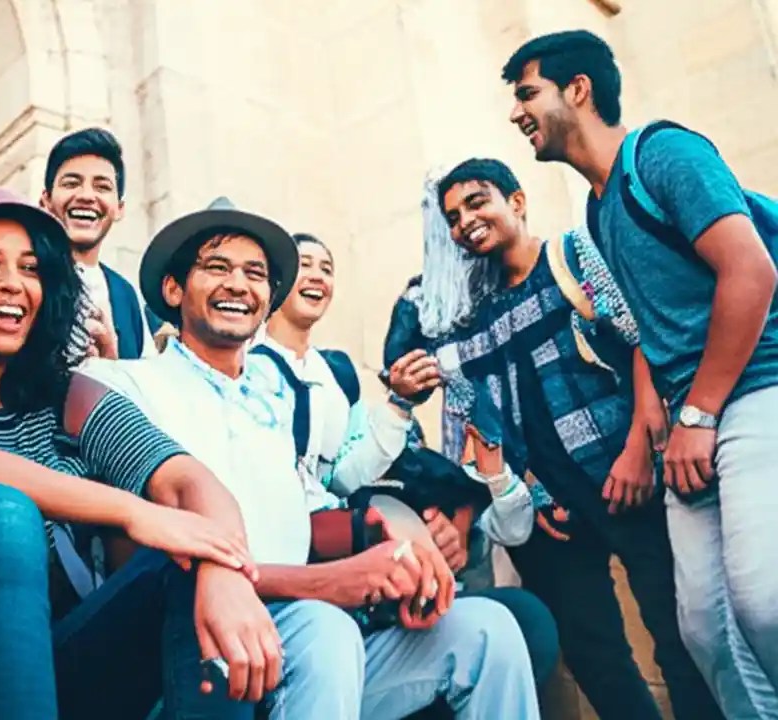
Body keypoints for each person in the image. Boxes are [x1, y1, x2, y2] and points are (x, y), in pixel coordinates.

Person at [84, 197, 541, 719]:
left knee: (489, 631)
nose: (238, 284)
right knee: (325, 629)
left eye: (255, 273)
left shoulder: (274, 401)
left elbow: (313, 508)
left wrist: (397, 543)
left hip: (306, 638)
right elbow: (139, 555)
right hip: (195, 637)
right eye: (217, 267)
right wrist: (333, 583)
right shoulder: (126, 385)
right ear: (173, 289)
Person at [0, 187, 279, 720]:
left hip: (29, 669)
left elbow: (188, 480)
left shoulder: (67, 396)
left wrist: (224, 569)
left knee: (192, 572)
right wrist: (134, 512)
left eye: (31, 269)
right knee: (0, 512)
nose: (13, 283)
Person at [503, 29, 778, 716]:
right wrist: (661, 418)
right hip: (691, 427)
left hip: (753, 392)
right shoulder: (598, 213)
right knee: (706, 632)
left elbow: (751, 272)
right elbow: (649, 331)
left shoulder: (665, 154)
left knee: (765, 603)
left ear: (578, 89)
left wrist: (699, 413)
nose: (516, 113)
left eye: (528, 93)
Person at [415, 157, 722, 719]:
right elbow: (475, 415)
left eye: (477, 203)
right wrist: (524, 492)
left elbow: (641, 336)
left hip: (625, 478)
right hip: (546, 517)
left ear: (517, 201)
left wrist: (639, 449)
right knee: (593, 655)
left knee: (680, 635)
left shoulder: (576, 255)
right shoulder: (468, 316)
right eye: (453, 217)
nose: (465, 223)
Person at [257, 232, 558, 691]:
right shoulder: (248, 365)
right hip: (288, 559)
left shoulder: (334, 377)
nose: (317, 275)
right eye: (305, 264)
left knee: (518, 623)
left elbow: (345, 477)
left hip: (344, 541)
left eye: (327, 267)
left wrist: (400, 406)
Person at [40, 128, 154, 360]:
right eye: (71, 183)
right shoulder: (27, 278)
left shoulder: (126, 295)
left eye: (102, 187)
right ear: (46, 200)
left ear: (119, 208)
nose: (86, 196)